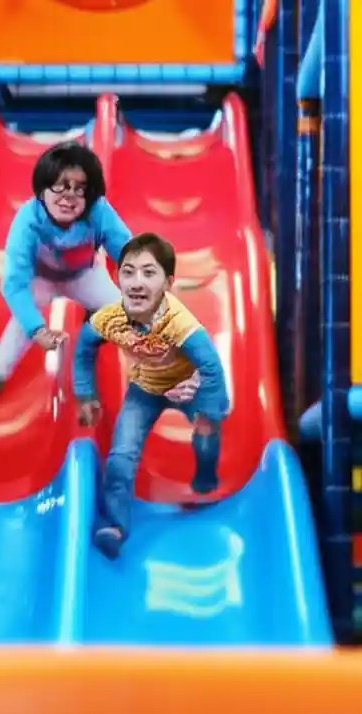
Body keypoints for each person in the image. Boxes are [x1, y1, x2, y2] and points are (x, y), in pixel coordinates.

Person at [72, 233, 229, 559]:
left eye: (149, 273)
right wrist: (86, 394)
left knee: (206, 439)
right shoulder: (110, 318)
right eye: (128, 272)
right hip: (145, 389)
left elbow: (211, 365)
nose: (136, 282)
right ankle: (115, 525)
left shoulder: (178, 323)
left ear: (168, 282)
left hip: (191, 388)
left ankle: (205, 474)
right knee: (120, 456)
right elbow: (84, 347)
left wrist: (209, 413)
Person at [0, 141, 130, 405]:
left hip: (83, 275)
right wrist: (37, 329)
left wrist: (144, 276)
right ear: (42, 189)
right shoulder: (28, 221)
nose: (69, 197)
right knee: (21, 322)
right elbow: (15, 284)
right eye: (60, 186)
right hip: (41, 278)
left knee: (128, 312)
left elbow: (123, 246)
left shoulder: (99, 212)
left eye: (80, 189)